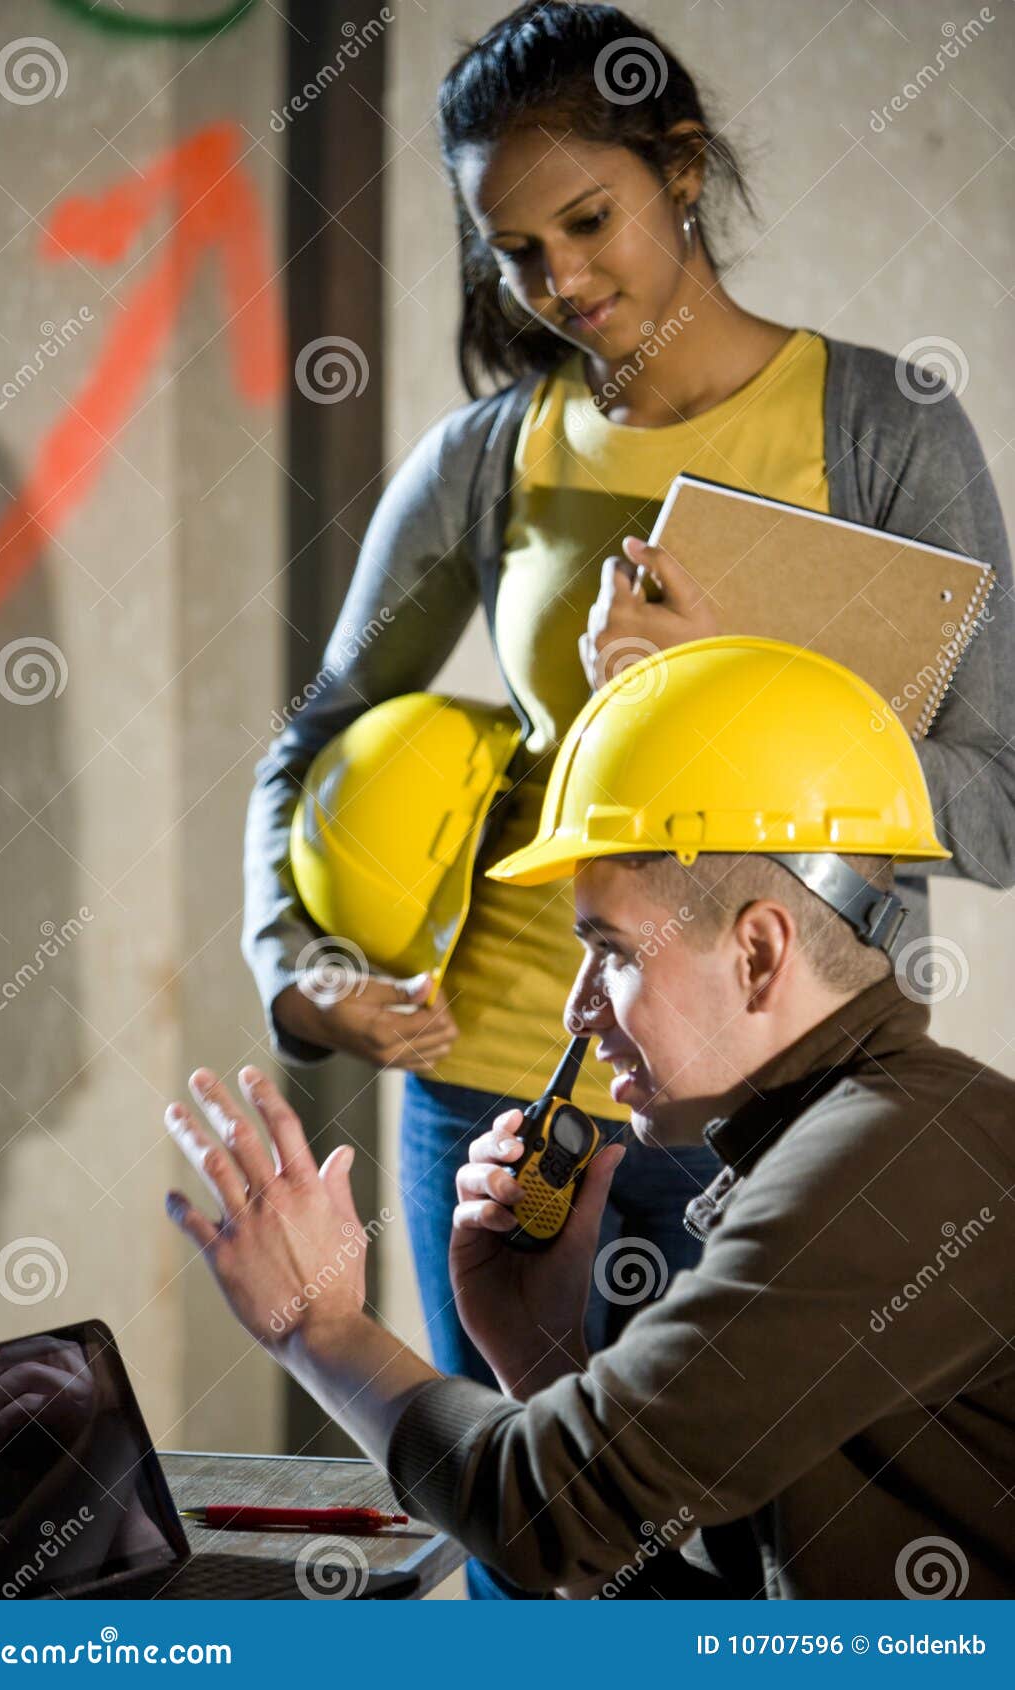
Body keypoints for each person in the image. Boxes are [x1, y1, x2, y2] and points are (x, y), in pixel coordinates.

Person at [241, 0, 1015, 1510]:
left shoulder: (879, 425)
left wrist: (721, 696)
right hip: (502, 1093)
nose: (559, 283)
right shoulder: (485, 456)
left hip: (778, 1094)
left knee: (776, 1547)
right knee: (516, 1519)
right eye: (515, 252)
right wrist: (297, 965)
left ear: (681, 167)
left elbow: (997, 802)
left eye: (587, 222)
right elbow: (315, 730)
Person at [175, 638, 1015, 1599]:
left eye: (612, 952)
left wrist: (320, 1330)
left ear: (756, 955)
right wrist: (542, 1360)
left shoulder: (882, 1172)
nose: (577, 1011)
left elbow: (551, 1517)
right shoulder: (857, 1140)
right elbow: (693, 1602)